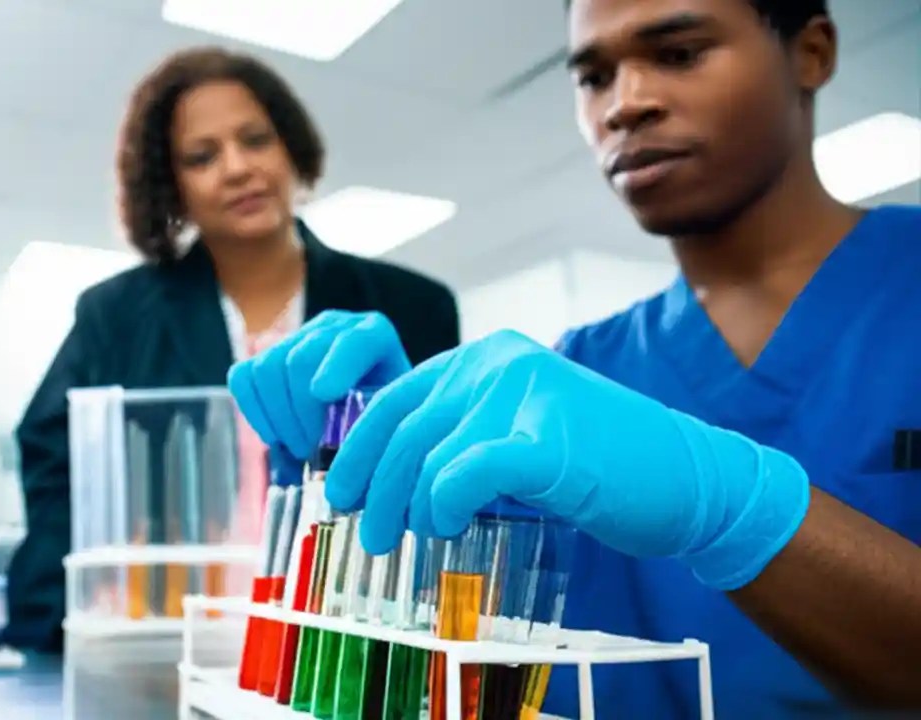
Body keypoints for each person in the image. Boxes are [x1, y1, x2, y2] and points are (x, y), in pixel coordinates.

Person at [228, 0, 921, 716]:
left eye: (679, 53)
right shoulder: (580, 370)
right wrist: (374, 460)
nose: (626, 103)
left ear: (811, 52)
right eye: (593, 76)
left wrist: (736, 509)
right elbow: (503, 658)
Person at [4, 47, 460, 652]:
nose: (238, 167)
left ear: (290, 148)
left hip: (347, 641)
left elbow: (441, 477)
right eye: (202, 156)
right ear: (172, 187)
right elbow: (53, 462)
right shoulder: (113, 315)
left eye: (256, 139)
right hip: (169, 637)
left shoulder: (412, 305)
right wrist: (58, 627)